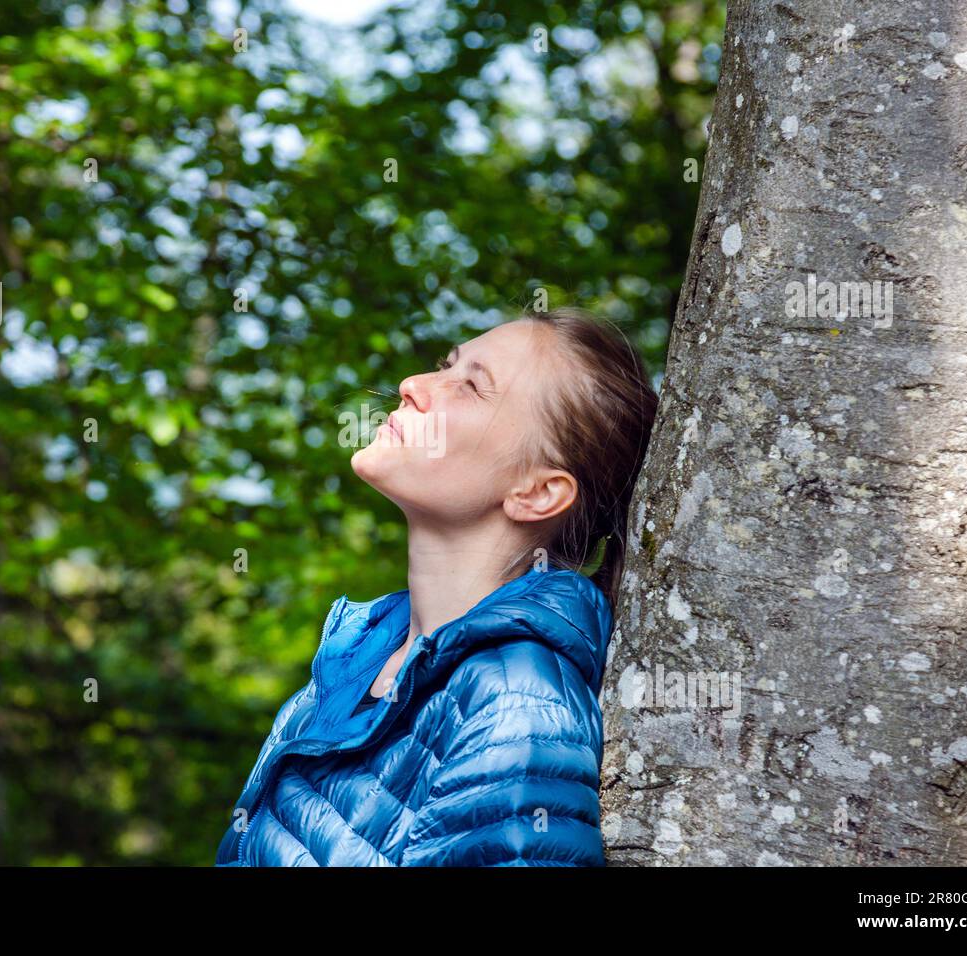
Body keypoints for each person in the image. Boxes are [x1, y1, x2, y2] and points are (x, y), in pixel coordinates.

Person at [214, 306, 658, 866]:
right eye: (445, 366)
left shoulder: (514, 700)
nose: (412, 386)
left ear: (537, 492)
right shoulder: (358, 655)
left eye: (472, 387)